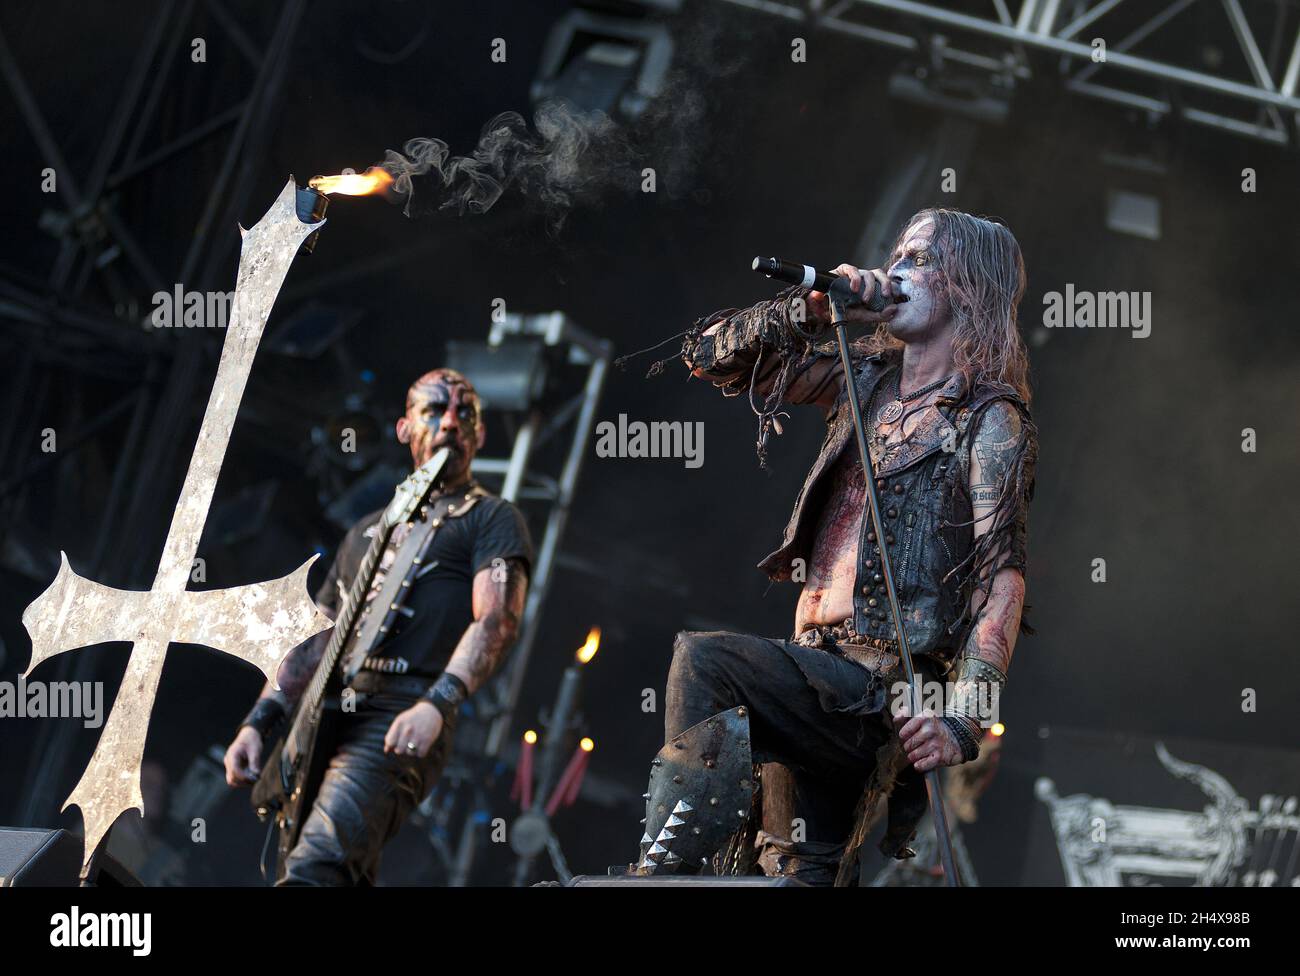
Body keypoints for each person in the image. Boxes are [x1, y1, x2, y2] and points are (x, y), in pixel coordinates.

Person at [634, 209, 1037, 885]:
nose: (897, 269)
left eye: (920, 259)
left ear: (966, 287)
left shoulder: (989, 419)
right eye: (897, 255)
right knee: (799, 876)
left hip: (880, 694)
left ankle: (673, 871)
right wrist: (808, 311)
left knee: (705, 662)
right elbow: (706, 356)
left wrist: (962, 725)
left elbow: (1002, 583)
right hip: (812, 683)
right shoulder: (866, 379)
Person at [224, 368, 532, 885]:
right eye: (434, 412)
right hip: (323, 713)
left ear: (479, 436)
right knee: (317, 870)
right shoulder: (367, 530)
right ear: (404, 428)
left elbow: (496, 621)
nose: (451, 423)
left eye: (466, 415)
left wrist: (438, 702)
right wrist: (259, 720)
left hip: (400, 712)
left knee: (317, 864)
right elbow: (313, 638)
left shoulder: (492, 519)